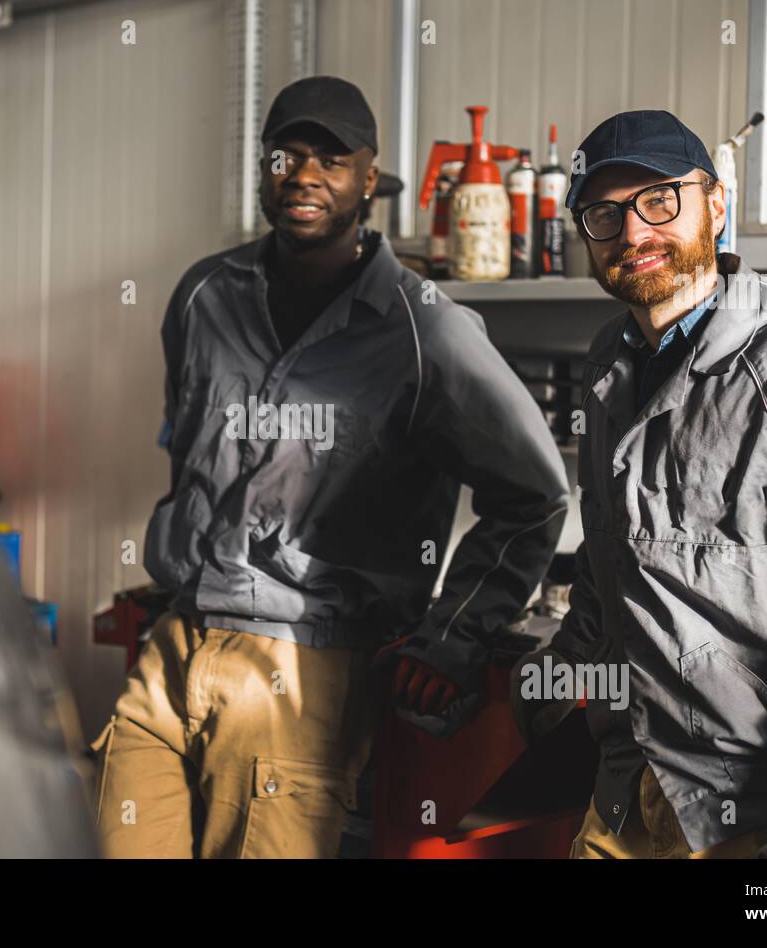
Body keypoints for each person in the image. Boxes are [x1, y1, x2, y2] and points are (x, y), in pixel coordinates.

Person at [90, 75, 568, 858]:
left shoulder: (426, 332)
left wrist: (453, 636)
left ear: (367, 181)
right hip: (173, 647)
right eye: (288, 155)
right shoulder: (204, 297)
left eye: (332, 159)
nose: (306, 174)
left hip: (300, 672)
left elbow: (536, 494)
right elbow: (188, 457)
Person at [512, 109, 767, 859]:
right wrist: (551, 678)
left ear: (716, 204)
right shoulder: (611, 362)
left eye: (660, 200)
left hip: (764, 808)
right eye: (604, 214)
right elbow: (613, 575)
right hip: (625, 791)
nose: (634, 232)